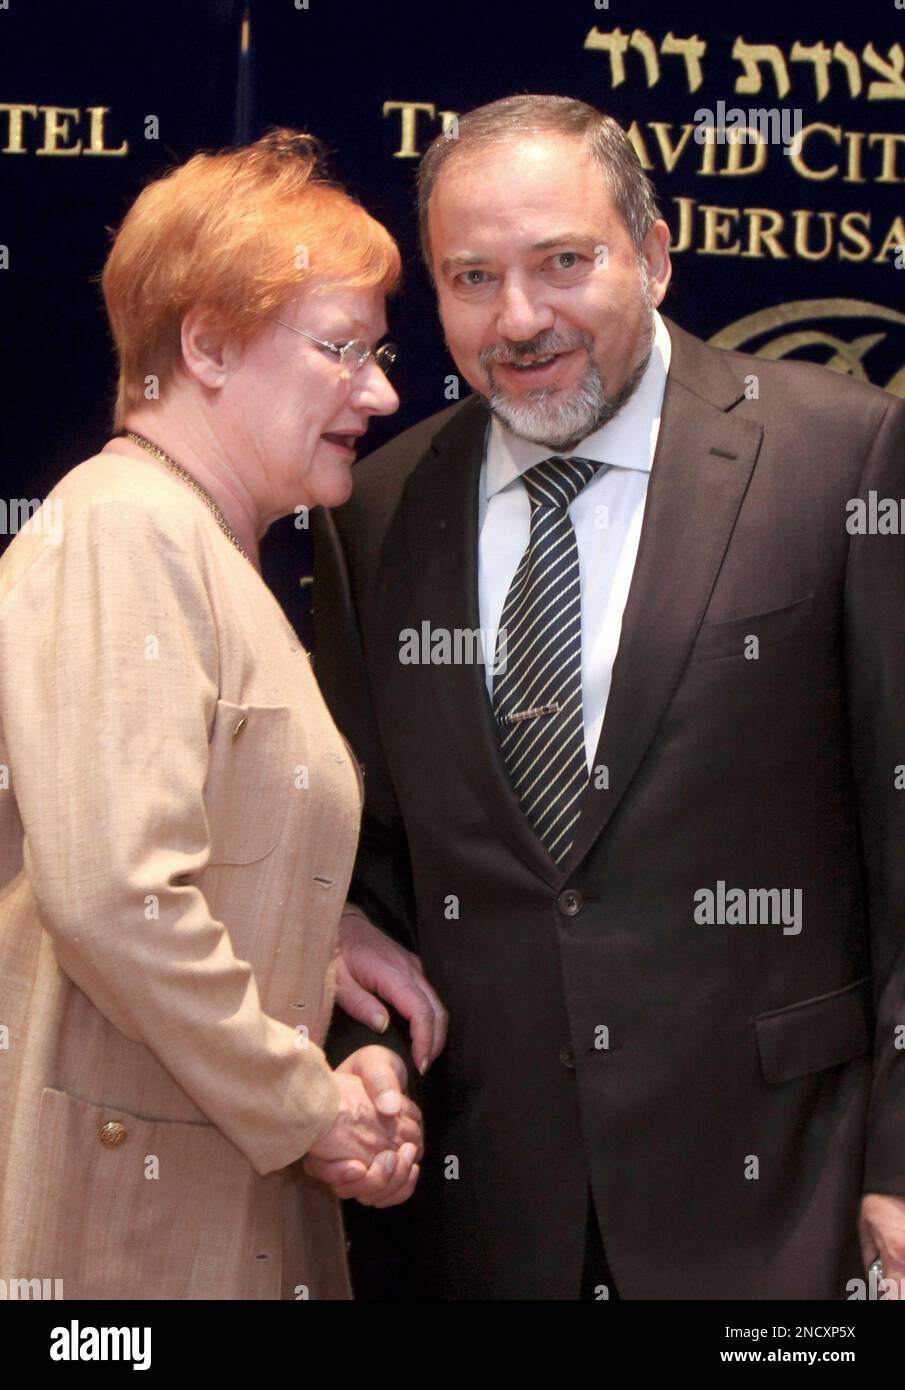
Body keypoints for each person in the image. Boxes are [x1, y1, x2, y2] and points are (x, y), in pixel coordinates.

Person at [312, 94, 905, 1299]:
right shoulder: (376, 508)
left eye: (563, 263)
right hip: (486, 1208)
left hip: (782, 1196)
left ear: (654, 253)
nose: (518, 319)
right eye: (471, 277)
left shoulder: (842, 455)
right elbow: (370, 875)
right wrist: (369, 1061)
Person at [0, 128, 446, 1301]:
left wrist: (315, 927)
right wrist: (310, 1109)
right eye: (339, 350)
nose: (383, 391)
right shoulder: (124, 530)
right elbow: (112, 893)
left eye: (379, 351)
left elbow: (181, 842)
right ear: (204, 345)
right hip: (124, 1249)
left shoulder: (203, 548)